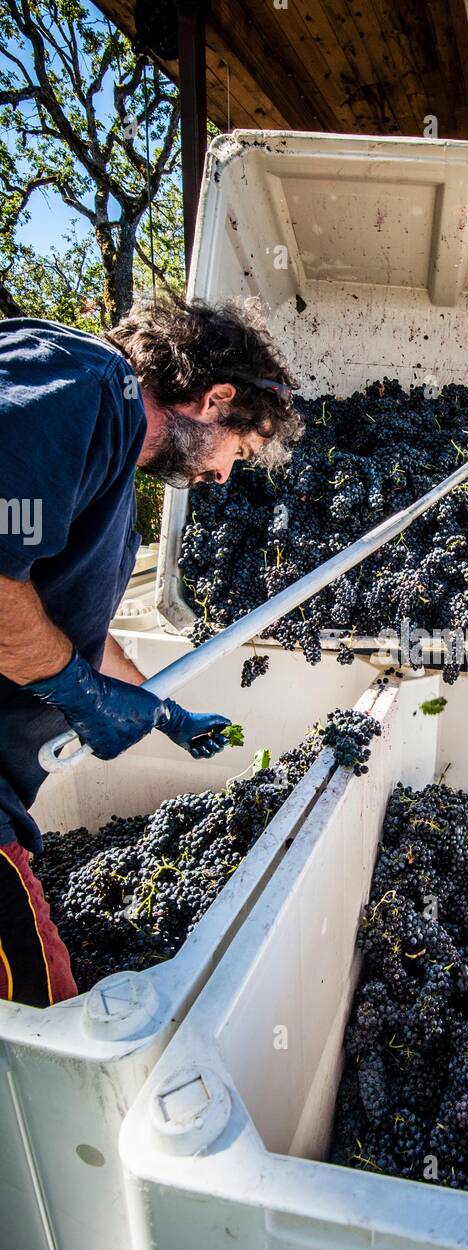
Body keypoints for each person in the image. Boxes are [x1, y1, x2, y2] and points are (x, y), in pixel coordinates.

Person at [0, 296, 302, 1006]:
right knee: (40, 1019)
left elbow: (63, 623)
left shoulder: (104, 465)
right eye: (240, 450)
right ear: (214, 399)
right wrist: (76, 694)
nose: (226, 475)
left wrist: (161, 710)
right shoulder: (83, 386)